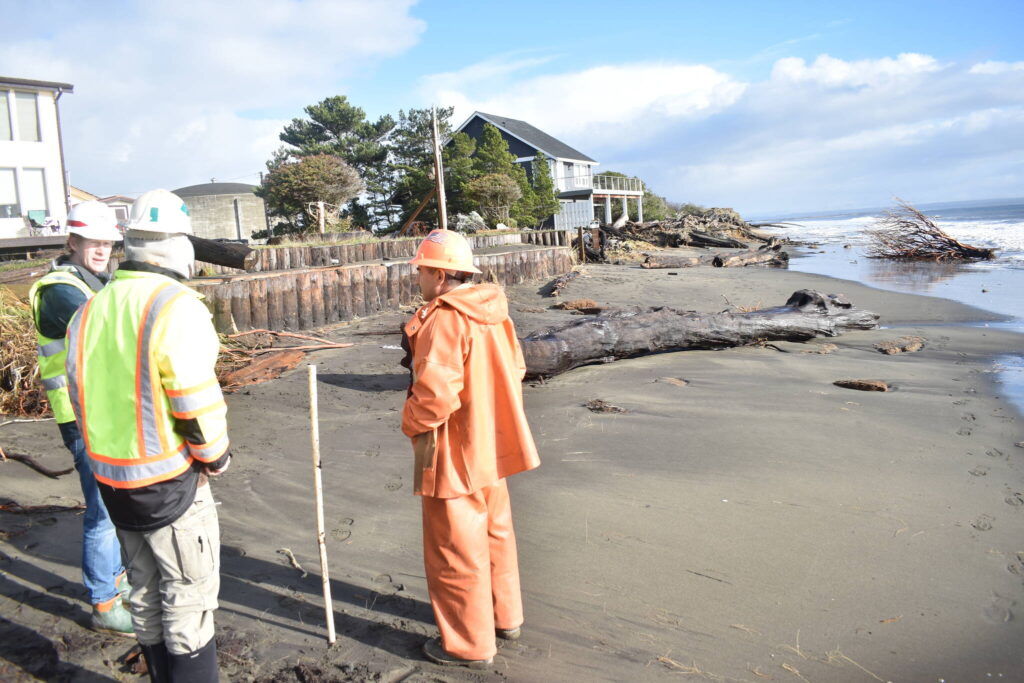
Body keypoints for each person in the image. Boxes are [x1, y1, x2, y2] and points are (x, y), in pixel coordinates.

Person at [65, 189, 231, 682]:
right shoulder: (175, 306)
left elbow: (77, 393)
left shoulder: (89, 310)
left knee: (144, 593)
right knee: (188, 599)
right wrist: (215, 457)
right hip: (171, 483)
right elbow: (194, 398)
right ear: (178, 245)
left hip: (114, 481)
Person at [402, 229, 541, 669]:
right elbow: (516, 367)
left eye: (422, 271)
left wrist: (409, 422)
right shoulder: (493, 311)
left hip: (453, 450)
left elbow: (435, 397)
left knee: (454, 549)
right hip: (491, 444)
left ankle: (468, 645)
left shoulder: (444, 318)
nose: (419, 279)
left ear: (440, 275)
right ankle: (506, 618)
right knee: (496, 533)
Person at [29, 200, 134, 637]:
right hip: (81, 417)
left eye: (108, 243)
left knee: (116, 504)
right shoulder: (60, 290)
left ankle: (116, 580)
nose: (102, 250)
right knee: (103, 510)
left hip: (104, 412)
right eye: (94, 242)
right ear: (73, 242)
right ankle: (104, 604)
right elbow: (104, 333)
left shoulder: (95, 281)